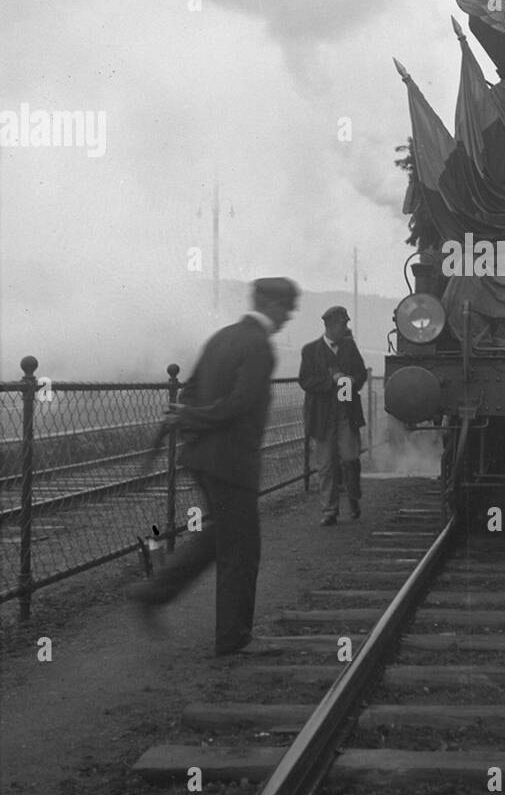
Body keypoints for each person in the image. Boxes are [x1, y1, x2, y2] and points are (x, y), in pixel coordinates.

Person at [129, 276, 299, 656]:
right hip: (233, 462)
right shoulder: (260, 347)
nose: (288, 317)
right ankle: (233, 639)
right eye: (287, 309)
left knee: (220, 535)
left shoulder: (221, 337)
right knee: (241, 550)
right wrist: (201, 417)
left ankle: (154, 591)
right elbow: (239, 404)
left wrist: (192, 420)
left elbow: (188, 392)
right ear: (271, 305)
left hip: (202, 458)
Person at [299, 306, 367, 525]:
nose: (345, 328)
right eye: (342, 324)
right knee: (326, 465)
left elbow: (361, 374)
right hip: (322, 417)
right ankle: (330, 510)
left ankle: (353, 496)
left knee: (350, 458)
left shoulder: (350, 347)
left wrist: (349, 381)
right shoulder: (310, 351)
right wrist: (332, 382)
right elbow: (305, 381)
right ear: (329, 325)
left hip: (346, 413)